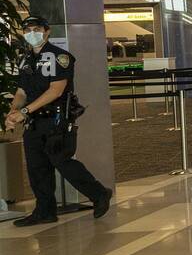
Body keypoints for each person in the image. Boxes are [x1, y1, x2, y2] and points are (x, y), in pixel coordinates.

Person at [3, 16, 112, 226]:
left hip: (55, 119)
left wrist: (24, 111)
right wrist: (13, 112)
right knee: (37, 167)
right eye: (27, 30)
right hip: (33, 121)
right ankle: (44, 211)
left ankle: (99, 194)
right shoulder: (25, 59)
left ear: (47, 31)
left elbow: (56, 90)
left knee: (62, 161)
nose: (31, 34)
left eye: (36, 29)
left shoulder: (60, 57)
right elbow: (22, 90)